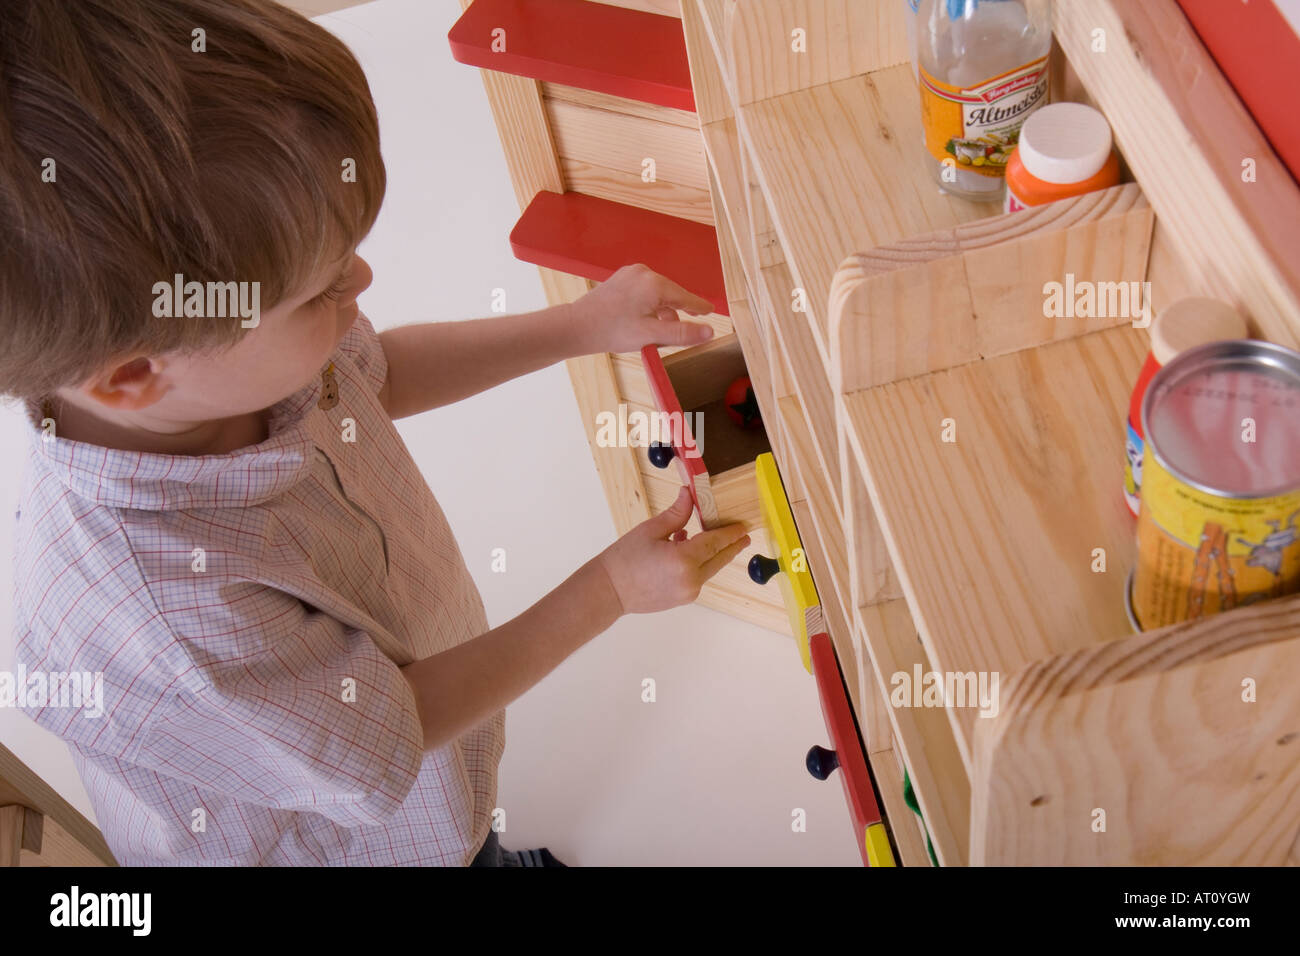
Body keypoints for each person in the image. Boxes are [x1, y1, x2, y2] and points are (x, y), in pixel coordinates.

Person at [0, 0, 749, 866]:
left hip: (430, 745)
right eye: (320, 288)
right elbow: (396, 730)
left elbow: (375, 374)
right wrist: (607, 591)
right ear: (132, 375)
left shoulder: (208, 364)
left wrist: (582, 324)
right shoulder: (165, 616)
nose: (362, 276)